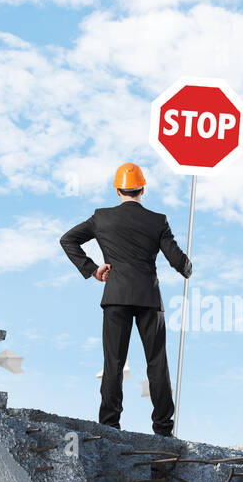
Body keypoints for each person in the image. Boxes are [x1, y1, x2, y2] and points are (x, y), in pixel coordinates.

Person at [59, 162, 192, 436]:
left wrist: (92, 269)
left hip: (116, 297)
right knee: (157, 363)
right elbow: (177, 260)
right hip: (148, 298)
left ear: (117, 190)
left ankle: (109, 425)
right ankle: (163, 429)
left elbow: (67, 240)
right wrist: (187, 268)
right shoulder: (158, 221)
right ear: (142, 189)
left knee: (114, 363)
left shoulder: (101, 218)